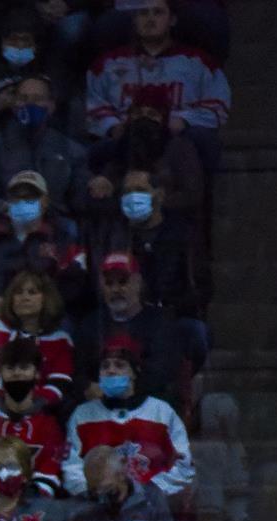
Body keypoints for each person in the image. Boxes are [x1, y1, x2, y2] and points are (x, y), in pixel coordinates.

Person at [0, 170, 85, 354]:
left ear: (44, 202)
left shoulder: (62, 237)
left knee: (66, 331)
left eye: (30, 197)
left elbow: (73, 285)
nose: (21, 203)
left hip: (44, 316)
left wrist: (40, 305)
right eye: (16, 198)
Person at [85, 0, 230, 170]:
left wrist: (184, 120)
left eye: (158, 12)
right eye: (143, 13)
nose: (150, 19)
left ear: (172, 19)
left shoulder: (199, 62)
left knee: (202, 139)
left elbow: (217, 104)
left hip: (178, 137)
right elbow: (94, 103)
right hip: (127, 137)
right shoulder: (108, 63)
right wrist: (113, 126)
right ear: (134, 20)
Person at [63, 339, 195, 499]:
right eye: (105, 366)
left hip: (152, 507)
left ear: (135, 371)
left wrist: (146, 492)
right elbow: (71, 467)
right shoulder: (82, 415)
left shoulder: (162, 412)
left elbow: (183, 464)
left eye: (119, 365)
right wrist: (91, 493)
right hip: (97, 506)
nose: (111, 371)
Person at [84, 166, 207, 320]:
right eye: (127, 191)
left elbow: (198, 282)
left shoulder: (182, 235)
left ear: (160, 195)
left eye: (140, 190)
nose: (133, 196)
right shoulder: (113, 236)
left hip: (172, 316)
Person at [0, 75, 89, 227]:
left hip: (56, 225)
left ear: (51, 105)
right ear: (14, 105)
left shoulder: (70, 149)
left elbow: (80, 200)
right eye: (23, 98)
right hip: (7, 223)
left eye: (38, 98)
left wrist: (95, 185)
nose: (30, 104)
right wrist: (9, 208)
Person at [74, 252, 190, 405]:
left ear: (138, 282)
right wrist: (88, 386)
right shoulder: (90, 324)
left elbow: (164, 370)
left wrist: (127, 389)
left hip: (148, 403)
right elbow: (79, 369)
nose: (115, 289)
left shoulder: (161, 323)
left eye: (123, 282)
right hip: (100, 404)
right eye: (109, 283)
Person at [0, 335, 65, 495]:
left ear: (37, 373)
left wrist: (32, 496)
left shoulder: (49, 424)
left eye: (24, 367)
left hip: (34, 506)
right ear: (0, 373)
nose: (17, 373)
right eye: (10, 368)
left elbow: (52, 466)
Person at [0, 268, 73, 413]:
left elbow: (60, 386)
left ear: (46, 298)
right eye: (18, 292)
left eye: (32, 292)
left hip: (37, 416)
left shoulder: (60, 341)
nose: (24, 297)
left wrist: (26, 408)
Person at [86, 87, 206, 221]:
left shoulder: (180, 148)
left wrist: (154, 199)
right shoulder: (122, 146)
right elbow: (112, 173)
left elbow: (192, 195)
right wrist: (103, 181)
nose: (144, 119)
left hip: (168, 222)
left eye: (151, 114)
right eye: (138, 113)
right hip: (123, 221)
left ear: (162, 118)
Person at [0, 7, 67, 144]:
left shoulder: (49, 71)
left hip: (43, 143)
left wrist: (34, 102)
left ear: (35, 45)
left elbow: (62, 115)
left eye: (26, 40)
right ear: (3, 42)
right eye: (14, 40)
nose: (20, 45)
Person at [68, 443, 180, 521]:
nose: (98, 493)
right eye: (93, 487)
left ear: (121, 475)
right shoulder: (82, 505)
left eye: (105, 487)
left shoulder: (151, 499)